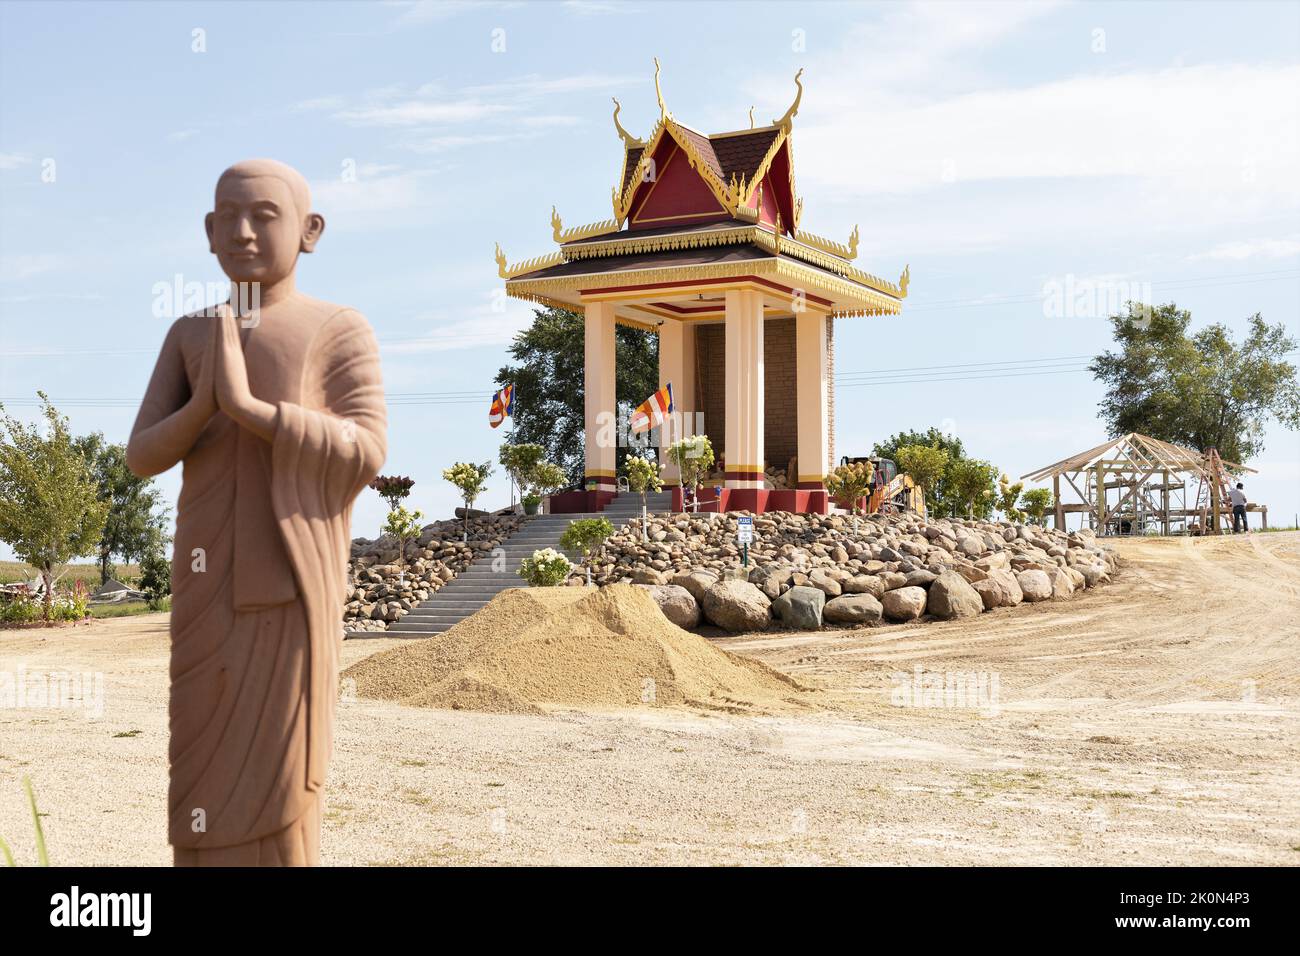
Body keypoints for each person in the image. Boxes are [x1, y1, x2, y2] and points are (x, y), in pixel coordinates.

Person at [128, 160, 387, 865]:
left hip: (286, 590)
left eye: (264, 216)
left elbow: (364, 448)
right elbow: (141, 454)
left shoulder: (337, 328)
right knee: (202, 767)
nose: (243, 232)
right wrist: (203, 410)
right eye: (228, 218)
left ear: (309, 231)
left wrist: (255, 413)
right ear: (209, 232)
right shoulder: (192, 333)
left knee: (278, 774)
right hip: (206, 584)